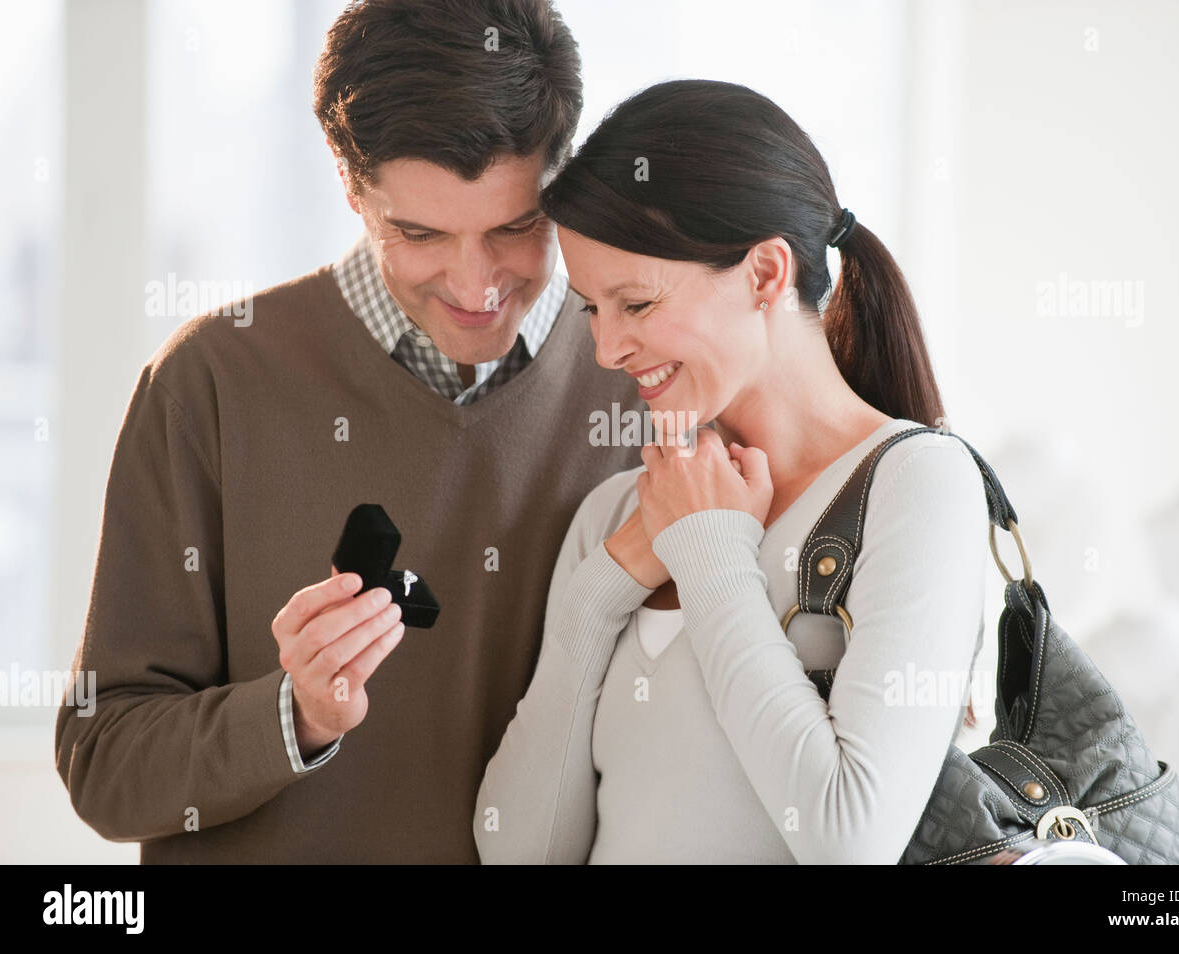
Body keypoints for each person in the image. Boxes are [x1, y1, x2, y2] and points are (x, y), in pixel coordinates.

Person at [54, 0, 645, 863]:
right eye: (420, 233)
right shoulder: (211, 383)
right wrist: (292, 716)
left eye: (517, 228)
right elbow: (104, 763)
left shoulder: (646, 381)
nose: (475, 284)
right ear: (349, 184)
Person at [473, 79, 990, 864]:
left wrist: (712, 554)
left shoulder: (915, 485)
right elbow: (518, 852)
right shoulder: (617, 514)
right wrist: (598, 595)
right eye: (590, 310)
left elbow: (847, 838)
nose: (608, 350)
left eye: (636, 305)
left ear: (764, 276)